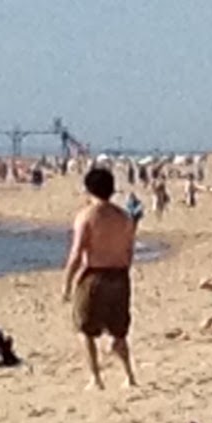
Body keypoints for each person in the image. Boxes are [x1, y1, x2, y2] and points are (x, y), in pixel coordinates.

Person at [62, 166, 139, 390]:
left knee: (85, 329)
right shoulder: (124, 217)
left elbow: (77, 253)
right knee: (119, 331)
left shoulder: (86, 216)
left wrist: (67, 282)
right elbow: (128, 250)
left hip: (95, 275)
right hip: (120, 274)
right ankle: (129, 375)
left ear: (88, 189)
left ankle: (95, 378)